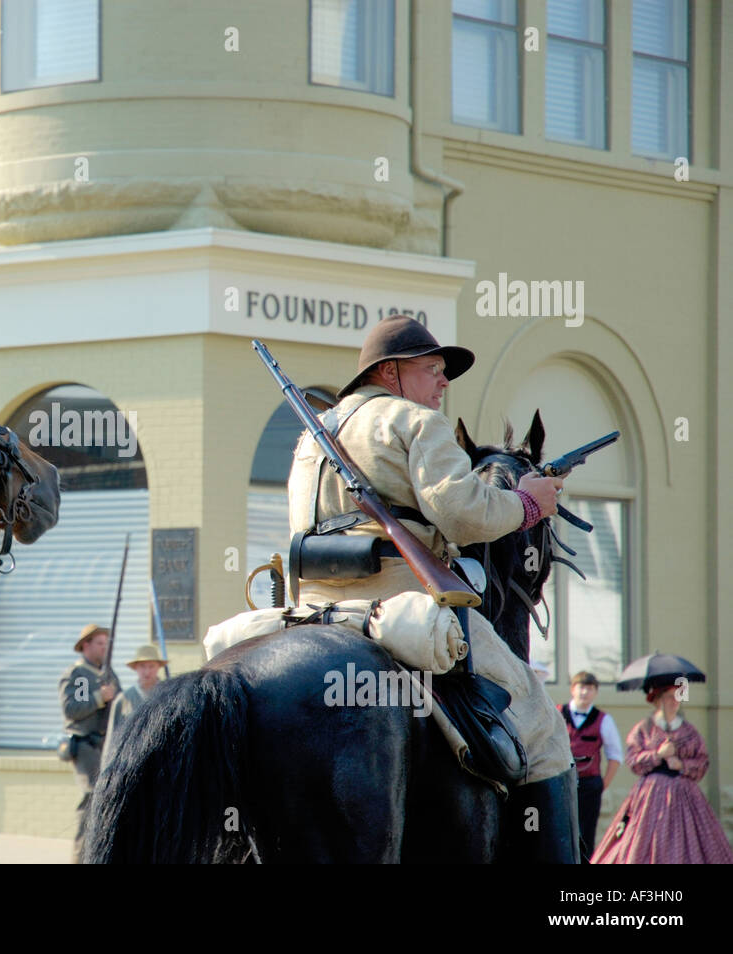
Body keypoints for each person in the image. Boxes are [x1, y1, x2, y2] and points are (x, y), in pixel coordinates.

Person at [287, 315, 578, 861]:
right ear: (391, 373)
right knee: (545, 733)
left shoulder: (312, 434)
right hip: (403, 605)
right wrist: (530, 501)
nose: (444, 384)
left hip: (315, 614)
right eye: (433, 370)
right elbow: (465, 515)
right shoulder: (417, 422)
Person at [591, 678, 733, 864]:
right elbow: (633, 760)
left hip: (685, 795)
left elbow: (702, 761)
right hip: (651, 794)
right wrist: (658, 754)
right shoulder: (644, 729)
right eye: (668, 697)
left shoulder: (689, 731)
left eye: (677, 697)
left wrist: (681, 765)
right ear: (657, 700)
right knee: (644, 838)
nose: (673, 701)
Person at [59, 623, 120, 862]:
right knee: (92, 798)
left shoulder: (108, 673)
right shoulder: (77, 675)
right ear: (86, 645)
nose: (104, 648)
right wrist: (99, 697)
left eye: (106, 643)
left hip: (106, 746)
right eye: (99, 643)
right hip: (85, 746)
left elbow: (120, 702)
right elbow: (71, 709)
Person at [560, 671, 623, 862]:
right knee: (560, 829)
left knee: (587, 833)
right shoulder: (557, 713)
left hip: (589, 784)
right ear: (573, 689)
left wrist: (602, 785)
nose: (585, 692)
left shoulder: (604, 719)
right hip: (561, 782)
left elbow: (615, 756)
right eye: (581, 687)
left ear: (595, 692)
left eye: (590, 688)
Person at [101, 643, 166, 767]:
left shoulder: (169, 695)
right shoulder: (124, 700)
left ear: (158, 667)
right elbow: (112, 738)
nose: (147, 671)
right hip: (131, 763)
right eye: (142, 666)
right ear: (136, 668)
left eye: (151, 666)